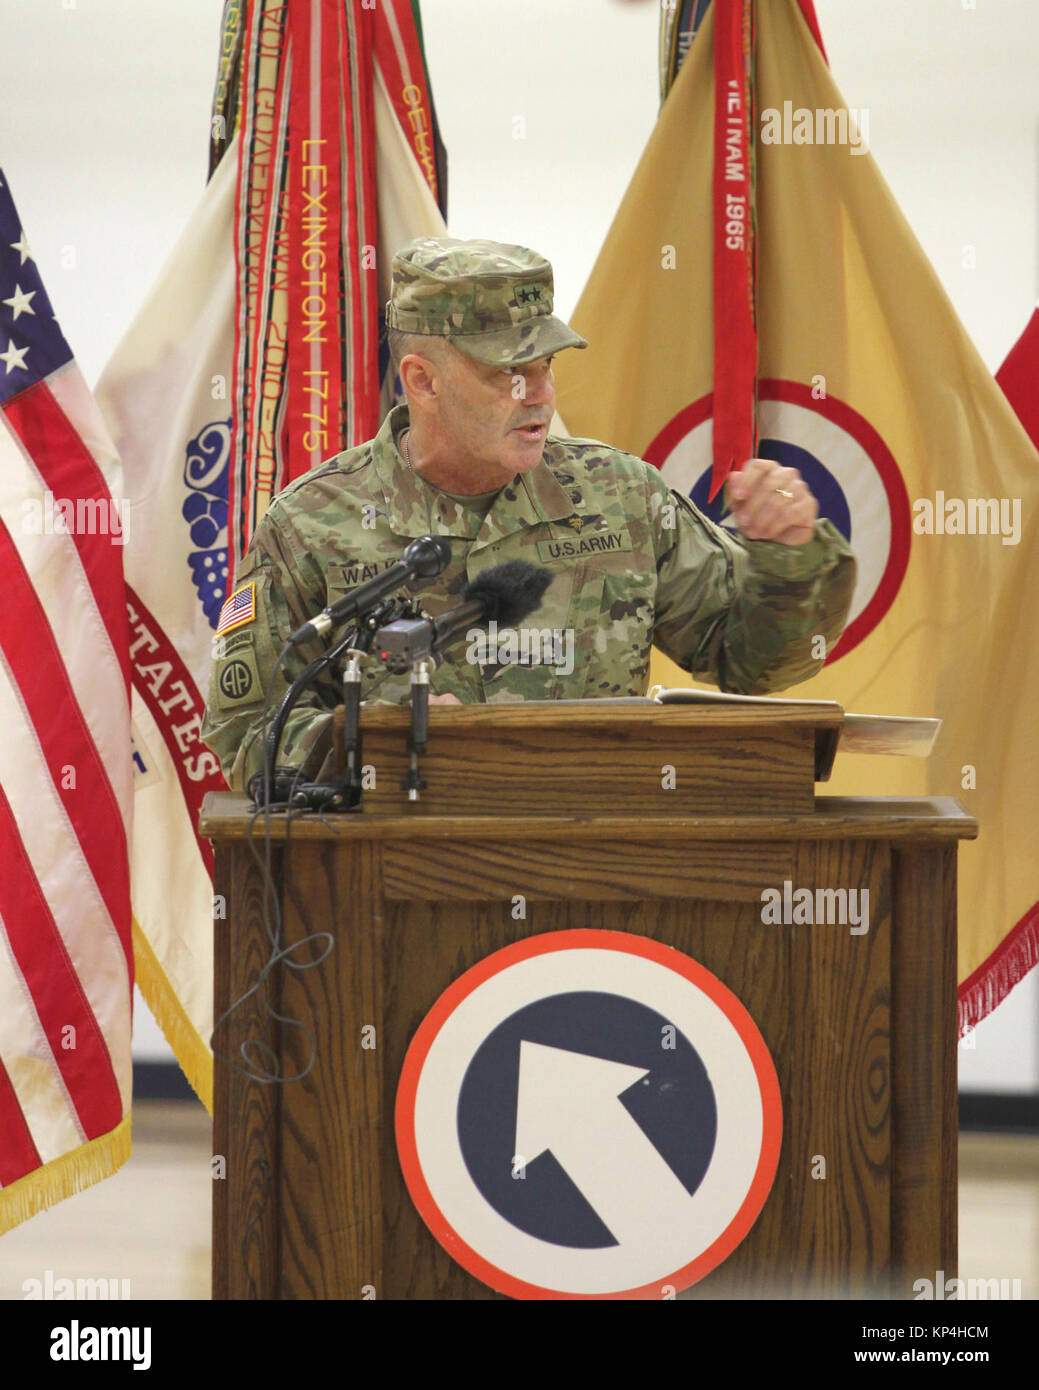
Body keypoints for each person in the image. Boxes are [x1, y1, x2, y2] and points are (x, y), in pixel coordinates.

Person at [202, 237, 856, 790]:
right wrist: (369, 744)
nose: (540, 395)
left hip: (596, 876)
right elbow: (245, 735)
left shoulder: (619, 495)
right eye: (508, 374)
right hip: (401, 886)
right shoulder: (312, 522)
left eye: (544, 366)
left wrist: (790, 558)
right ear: (423, 381)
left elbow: (752, 662)